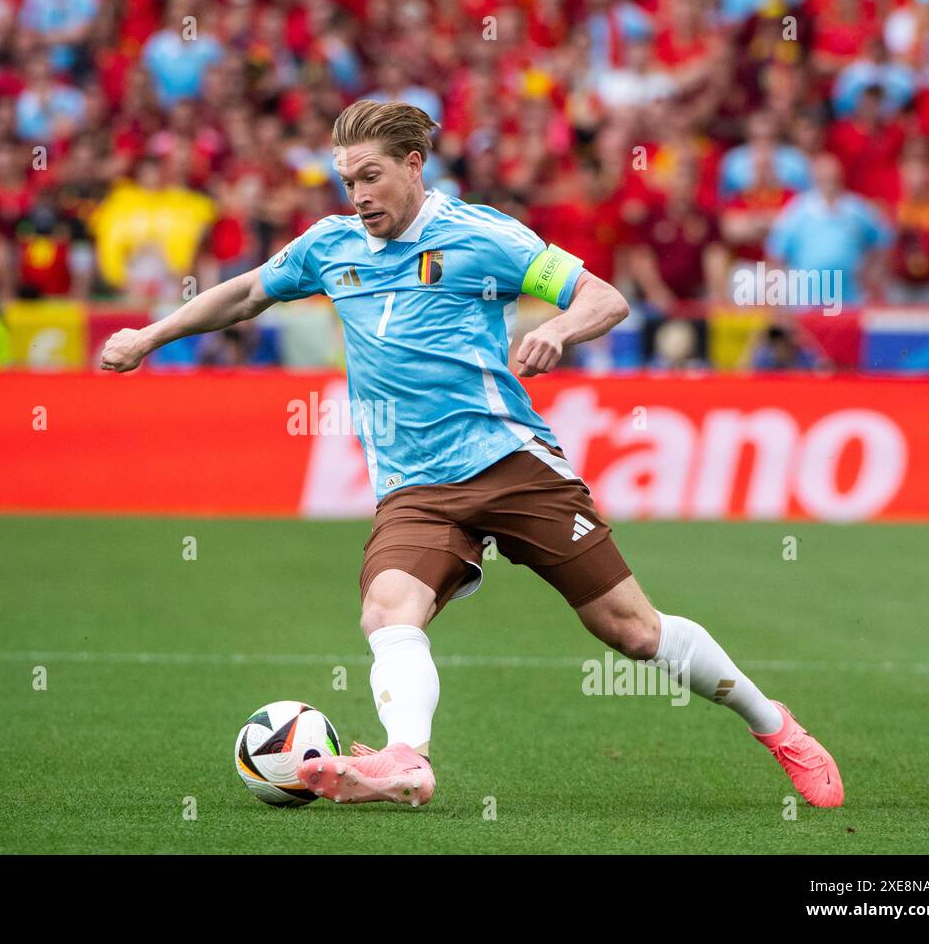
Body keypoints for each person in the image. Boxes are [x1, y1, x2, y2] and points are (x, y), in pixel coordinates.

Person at [100, 100, 845, 809]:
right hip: (415, 485)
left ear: (414, 164)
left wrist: (561, 331)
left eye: (371, 176)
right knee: (389, 610)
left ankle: (774, 726)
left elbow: (605, 298)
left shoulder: (480, 236)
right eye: (347, 180)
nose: (357, 194)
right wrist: (148, 336)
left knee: (632, 631)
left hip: (509, 463)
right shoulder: (329, 247)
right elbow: (244, 296)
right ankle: (406, 760)